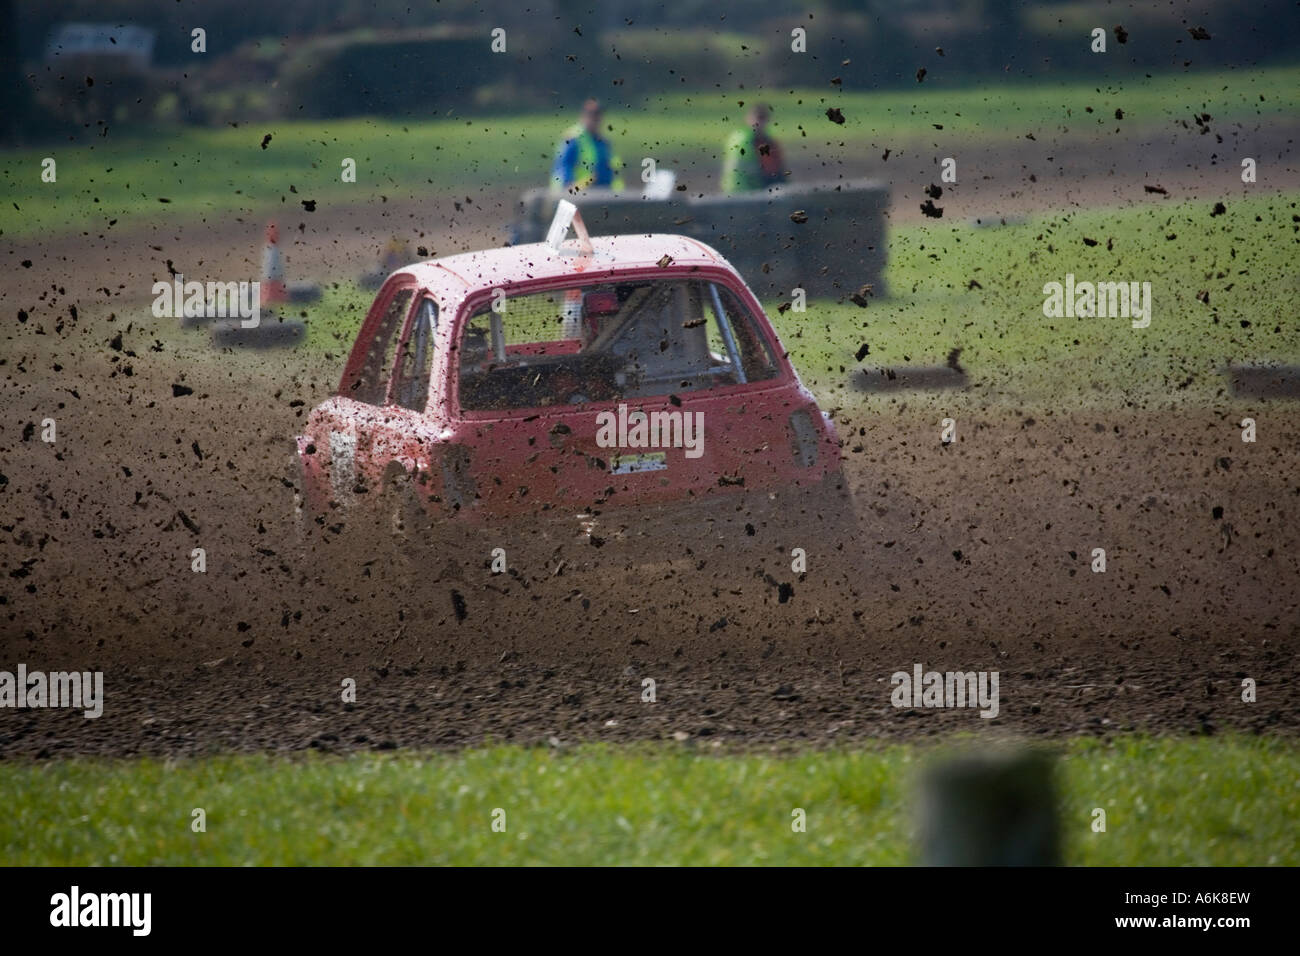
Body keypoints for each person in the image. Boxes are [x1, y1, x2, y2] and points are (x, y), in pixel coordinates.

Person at [551, 98, 625, 193]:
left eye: (598, 115)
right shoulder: (573, 139)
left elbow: (609, 170)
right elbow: (563, 167)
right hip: (577, 193)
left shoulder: (603, 142)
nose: (595, 120)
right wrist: (569, 186)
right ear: (583, 116)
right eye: (592, 115)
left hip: (602, 193)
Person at [721, 103, 786, 193]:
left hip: (736, 189)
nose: (759, 122)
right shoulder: (746, 140)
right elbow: (771, 170)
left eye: (762, 118)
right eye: (758, 118)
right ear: (748, 118)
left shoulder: (739, 136)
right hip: (744, 190)